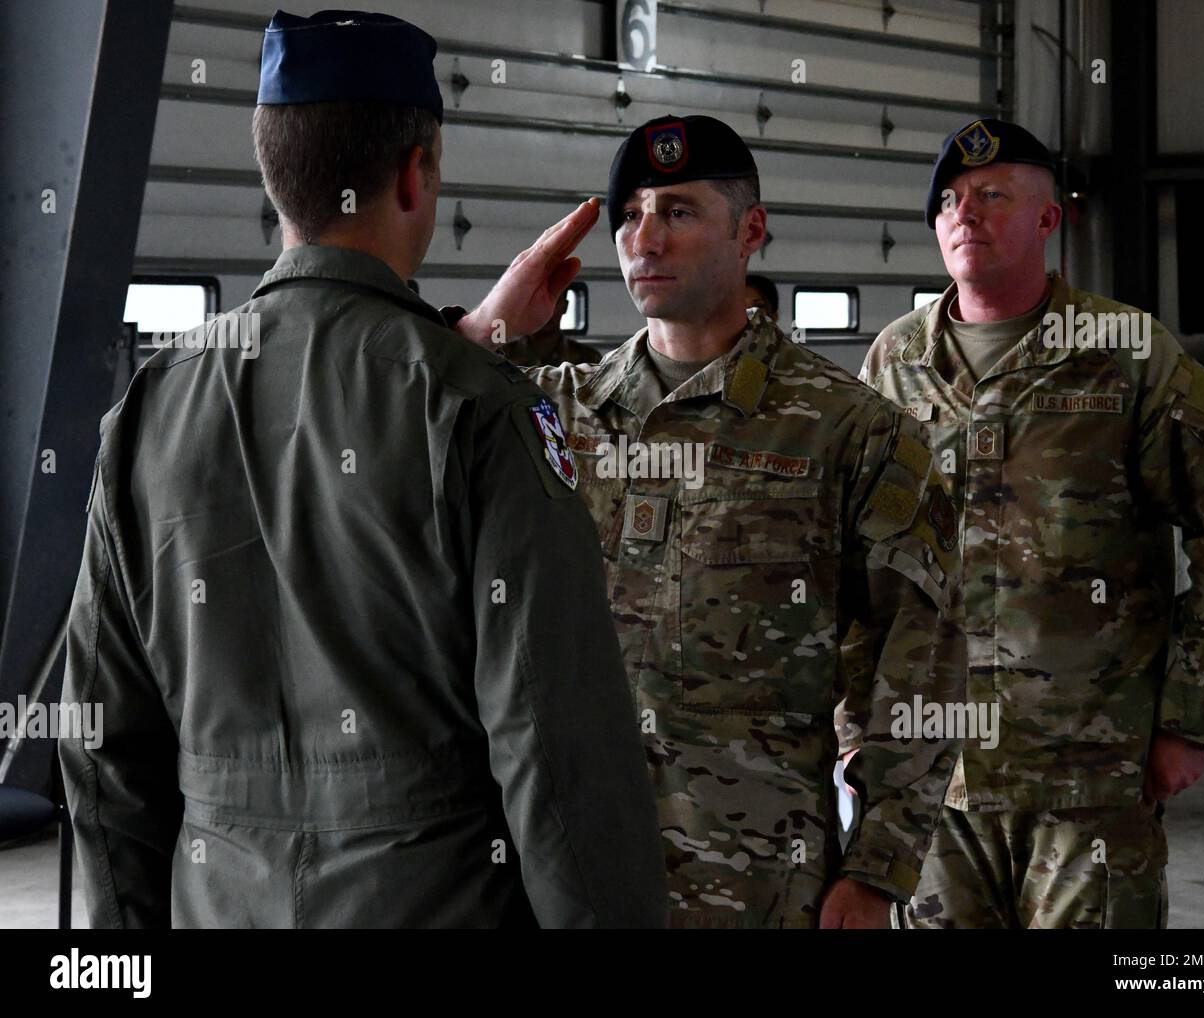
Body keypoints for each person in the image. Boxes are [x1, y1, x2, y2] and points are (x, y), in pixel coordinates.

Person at [58, 9, 666, 930]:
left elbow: (100, 746)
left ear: (276, 173)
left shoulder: (146, 415)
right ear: (416, 174)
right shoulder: (481, 411)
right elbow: (555, 750)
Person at [466, 114, 963, 928]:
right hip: (564, 875)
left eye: (678, 211)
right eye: (630, 215)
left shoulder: (850, 431)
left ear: (750, 232)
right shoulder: (556, 410)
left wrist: (878, 868)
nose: (644, 239)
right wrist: (491, 323)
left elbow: (921, 662)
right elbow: (391, 436)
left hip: (759, 883)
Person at [859, 118, 1204, 928]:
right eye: (949, 201)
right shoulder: (896, 362)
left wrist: (1192, 715)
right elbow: (860, 555)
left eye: (991, 196)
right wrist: (853, 732)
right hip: (930, 776)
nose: (965, 214)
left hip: (1090, 773)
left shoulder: (1124, 352)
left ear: (1048, 221)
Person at [499, 292, 603, 368]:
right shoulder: (503, 358)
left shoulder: (589, 359)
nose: (545, 310)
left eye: (554, 300)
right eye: (536, 302)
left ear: (565, 306)